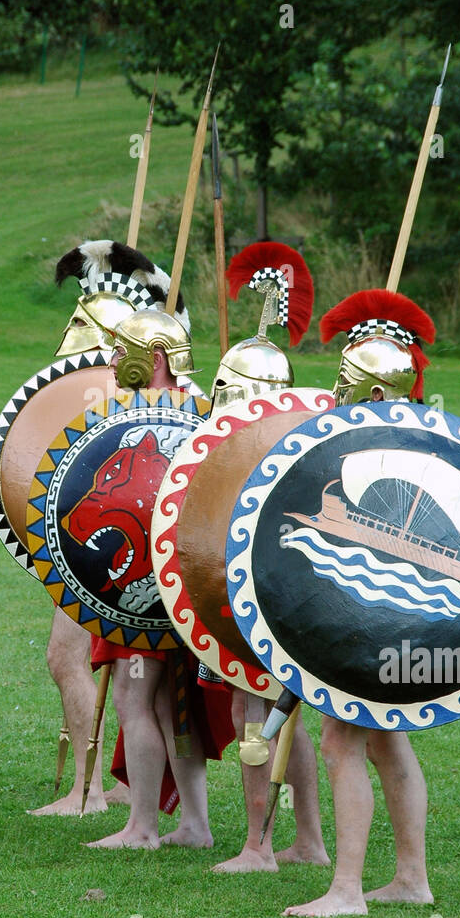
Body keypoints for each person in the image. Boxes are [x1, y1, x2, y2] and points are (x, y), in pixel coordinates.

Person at [284, 288, 436, 916]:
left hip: (370, 623)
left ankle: (346, 890)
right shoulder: (431, 447)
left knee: (342, 742)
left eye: (347, 379)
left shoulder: (374, 459)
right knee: (388, 741)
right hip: (410, 627)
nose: (335, 392)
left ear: (374, 392)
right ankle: (411, 879)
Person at [29, 241, 190, 817]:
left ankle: (93, 790)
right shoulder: (123, 397)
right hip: (118, 550)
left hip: (122, 557)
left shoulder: (151, 403)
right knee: (138, 679)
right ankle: (123, 792)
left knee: (77, 660)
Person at [200, 242, 328, 874]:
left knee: (255, 712)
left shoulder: (256, 451)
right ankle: (307, 840)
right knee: (286, 713)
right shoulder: (300, 443)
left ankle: (259, 848)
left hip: (257, 604)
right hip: (287, 606)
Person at [85, 309, 235, 849]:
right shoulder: (204, 415)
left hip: (149, 588)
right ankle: (194, 824)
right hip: (183, 589)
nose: (113, 359)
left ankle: (142, 826)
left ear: (154, 357)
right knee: (175, 701)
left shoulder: (159, 420)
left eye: (123, 349)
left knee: (134, 697)